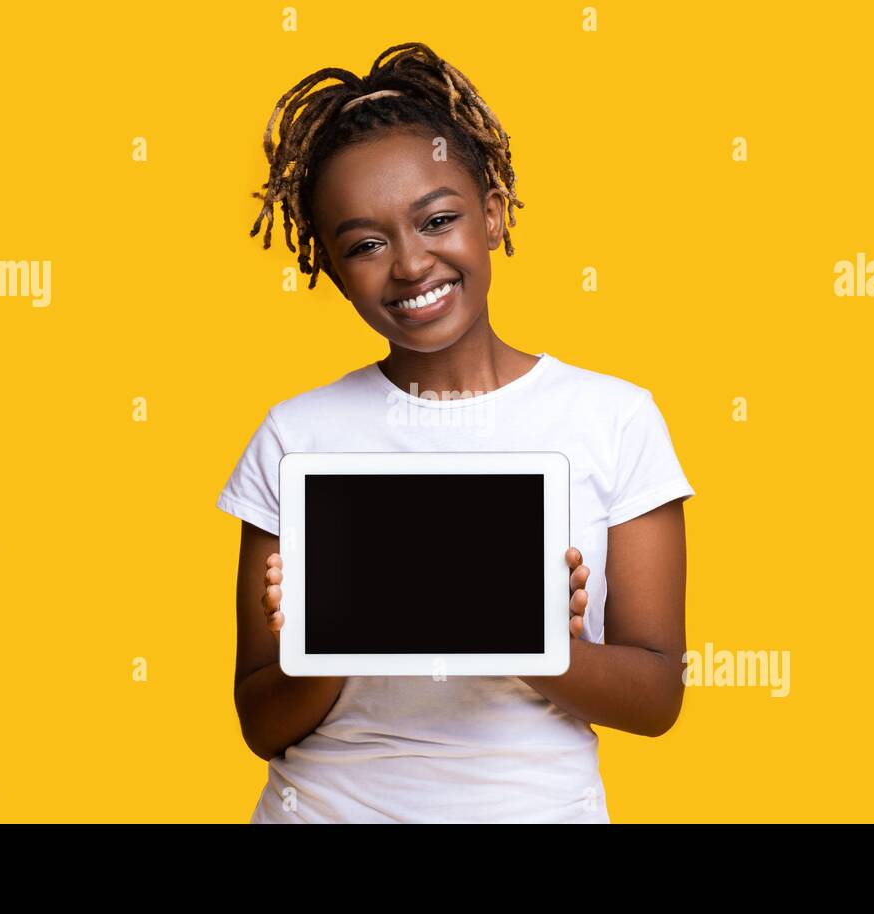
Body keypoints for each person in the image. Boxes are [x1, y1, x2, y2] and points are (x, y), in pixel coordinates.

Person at [218, 42, 695, 823]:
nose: (410, 263)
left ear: (494, 212)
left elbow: (655, 698)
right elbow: (260, 721)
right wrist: (327, 631)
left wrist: (522, 633)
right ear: (333, 269)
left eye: (437, 219)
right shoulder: (293, 437)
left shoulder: (615, 419)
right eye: (366, 244)